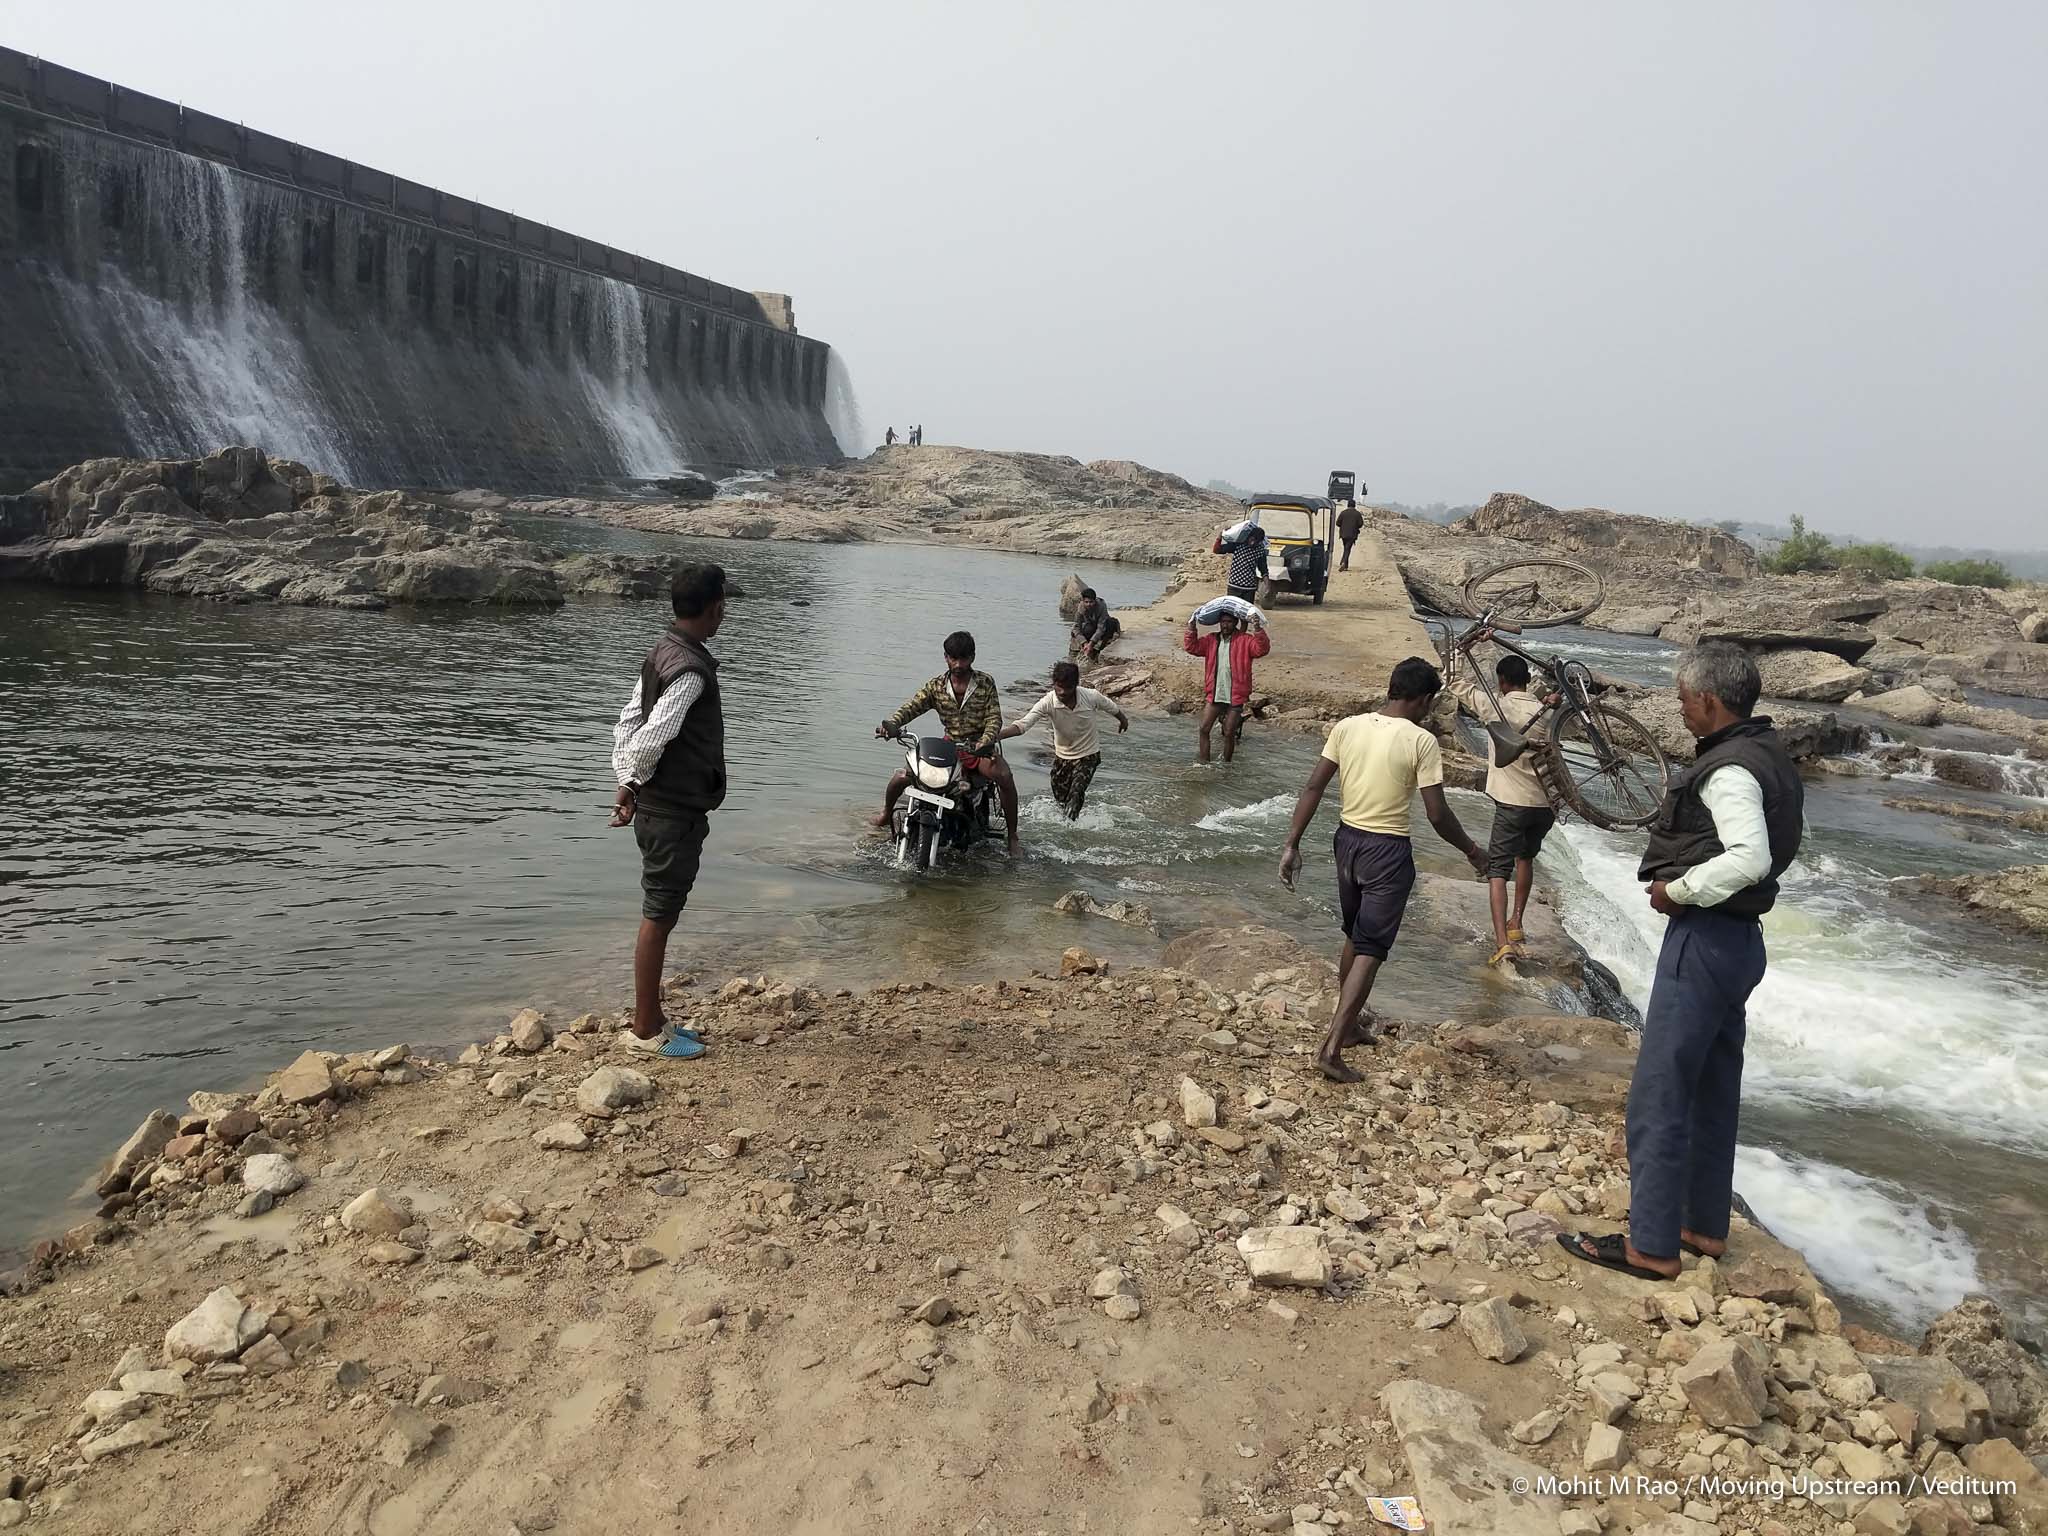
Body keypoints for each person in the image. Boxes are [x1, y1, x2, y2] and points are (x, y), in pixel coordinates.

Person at [1559, 642, 1803, 1282]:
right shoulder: (1769, 754)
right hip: (1741, 941)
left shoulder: (1728, 770)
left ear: (1710, 701)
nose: (1681, 710)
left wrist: (1678, 890)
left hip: (1705, 936)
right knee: (1715, 1086)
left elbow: (1747, 857)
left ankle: (1651, 1245)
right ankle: (1703, 1227)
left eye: (1683, 700)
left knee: (1661, 1092)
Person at [1278, 657, 1486, 1083]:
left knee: (1354, 937)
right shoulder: (1421, 740)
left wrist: (1292, 843)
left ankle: (1350, 1027)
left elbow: (1314, 785)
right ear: (1425, 700)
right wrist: (1472, 851)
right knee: (1371, 950)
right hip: (1387, 851)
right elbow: (1437, 814)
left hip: (1346, 842)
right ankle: (1331, 1049)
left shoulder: (1348, 726)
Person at [608, 563, 730, 1060]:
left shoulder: (663, 649)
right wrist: (631, 780)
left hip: (656, 805)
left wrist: (625, 782)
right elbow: (655, 731)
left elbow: (627, 720)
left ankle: (654, 1017)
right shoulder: (691, 671)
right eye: (723, 602)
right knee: (658, 914)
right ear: (715, 608)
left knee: (660, 909)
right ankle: (644, 1031)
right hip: (671, 811)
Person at [1447, 631, 1556, 965]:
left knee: (1497, 871)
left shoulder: (1497, 707)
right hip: (1544, 804)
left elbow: (1455, 684)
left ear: (1503, 681)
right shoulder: (1547, 712)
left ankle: (1501, 943)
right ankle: (1517, 924)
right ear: (1527, 681)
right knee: (1526, 859)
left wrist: (1462, 649)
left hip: (1512, 802)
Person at [873, 630, 1022, 856]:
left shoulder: (985, 683)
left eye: (963, 658)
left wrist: (986, 740)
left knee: (1005, 776)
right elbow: (912, 707)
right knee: (901, 777)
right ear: (946, 657)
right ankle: (886, 813)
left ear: (972, 657)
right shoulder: (936, 686)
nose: (959, 664)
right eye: (953, 658)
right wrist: (891, 726)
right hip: (949, 747)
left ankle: (1012, 837)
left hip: (977, 748)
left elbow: (994, 717)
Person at [999, 659, 1128, 820]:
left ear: (1075, 685)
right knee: (1061, 802)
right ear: (1054, 684)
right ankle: (1070, 822)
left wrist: (1123, 720)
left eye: (1066, 690)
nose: (1061, 694)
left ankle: (1073, 833)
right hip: (1062, 758)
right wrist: (996, 736)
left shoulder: (1091, 696)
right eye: (1058, 688)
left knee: (1076, 793)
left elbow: (1112, 708)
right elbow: (1022, 725)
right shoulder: (1048, 702)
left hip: (1089, 755)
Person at [1183, 608, 1270, 764]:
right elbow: (1192, 647)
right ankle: (1204, 764)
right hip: (1215, 693)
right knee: (1204, 729)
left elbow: (1262, 649)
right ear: (1219, 623)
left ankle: (1226, 765)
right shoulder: (1211, 640)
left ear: (1235, 623)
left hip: (1235, 695)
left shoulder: (1244, 640)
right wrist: (1191, 626)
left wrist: (1257, 628)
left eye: (1229, 622)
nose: (1226, 625)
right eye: (1223, 622)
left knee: (1229, 732)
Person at [1069, 588, 1122, 660]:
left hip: (1104, 624)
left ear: (1095, 600)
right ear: (1083, 601)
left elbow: (1101, 627)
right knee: (1076, 632)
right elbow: (1076, 627)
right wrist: (1084, 642)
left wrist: (1091, 643)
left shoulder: (1101, 605)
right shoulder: (1081, 608)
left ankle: (1098, 649)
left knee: (1110, 624)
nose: (1088, 604)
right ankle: (1084, 648)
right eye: (1086, 602)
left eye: (1091, 602)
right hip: (1091, 624)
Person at [1226, 523, 1269, 604]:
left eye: (1256, 541)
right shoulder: (1238, 545)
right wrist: (1221, 535)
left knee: (1246, 614)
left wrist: (1267, 586)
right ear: (1248, 537)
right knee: (1230, 613)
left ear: (1260, 542)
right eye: (1252, 539)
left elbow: (1264, 570)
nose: (1252, 543)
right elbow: (1217, 550)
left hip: (1249, 590)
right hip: (1234, 587)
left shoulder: (1260, 551)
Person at [1336, 499, 1363, 571]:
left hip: (1343, 534)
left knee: (1346, 548)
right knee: (1347, 549)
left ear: (1348, 505)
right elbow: (1360, 524)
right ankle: (1343, 563)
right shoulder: (1357, 514)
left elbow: (1337, 523)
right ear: (1354, 505)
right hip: (1352, 534)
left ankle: (1345, 565)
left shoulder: (1343, 513)